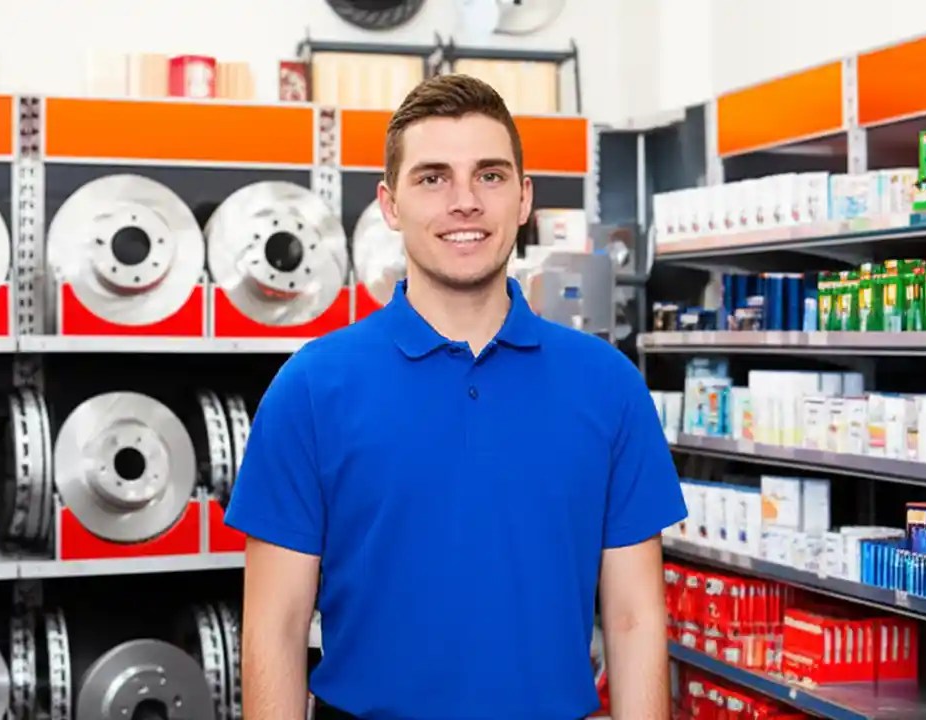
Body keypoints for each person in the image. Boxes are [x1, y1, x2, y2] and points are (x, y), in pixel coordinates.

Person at [225, 73, 688, 720]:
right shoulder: (312, 387)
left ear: (524, 199)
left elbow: (635, 619)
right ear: (390, 204)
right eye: (433, 177)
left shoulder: (607, 385)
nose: (465, 201)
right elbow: (274, 627)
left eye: (491, 176)